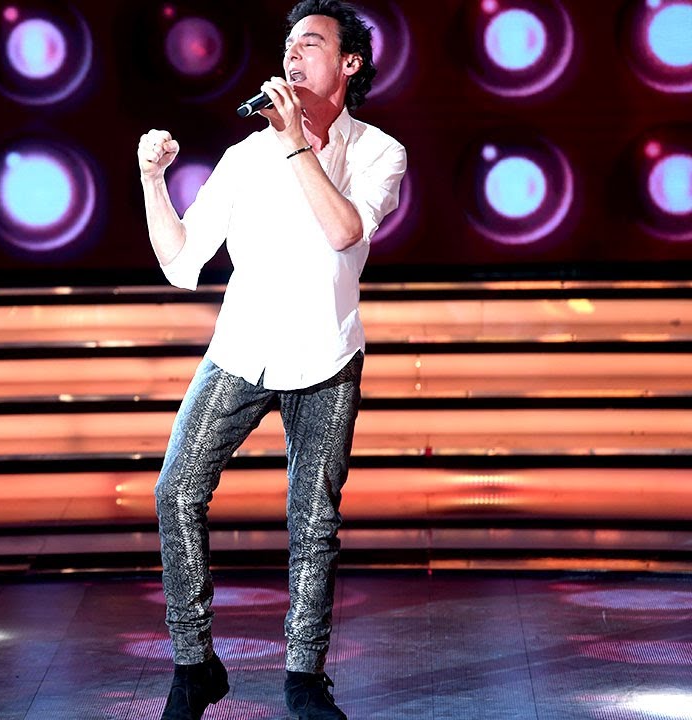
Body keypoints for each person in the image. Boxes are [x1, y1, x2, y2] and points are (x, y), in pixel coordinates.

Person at [136, 1, 406, 718]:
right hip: (243, 350)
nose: (293, 58)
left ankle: (303, 678)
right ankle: (195, 664)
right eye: (288, 47)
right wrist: (152, 181)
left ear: (348, 63)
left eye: (311, 45)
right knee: (175, 490)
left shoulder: (379, 151)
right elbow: (181, 261)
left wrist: (296, 145)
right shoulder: (244, 156)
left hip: (326, 352)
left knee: (313, 520)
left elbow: (346, 231)